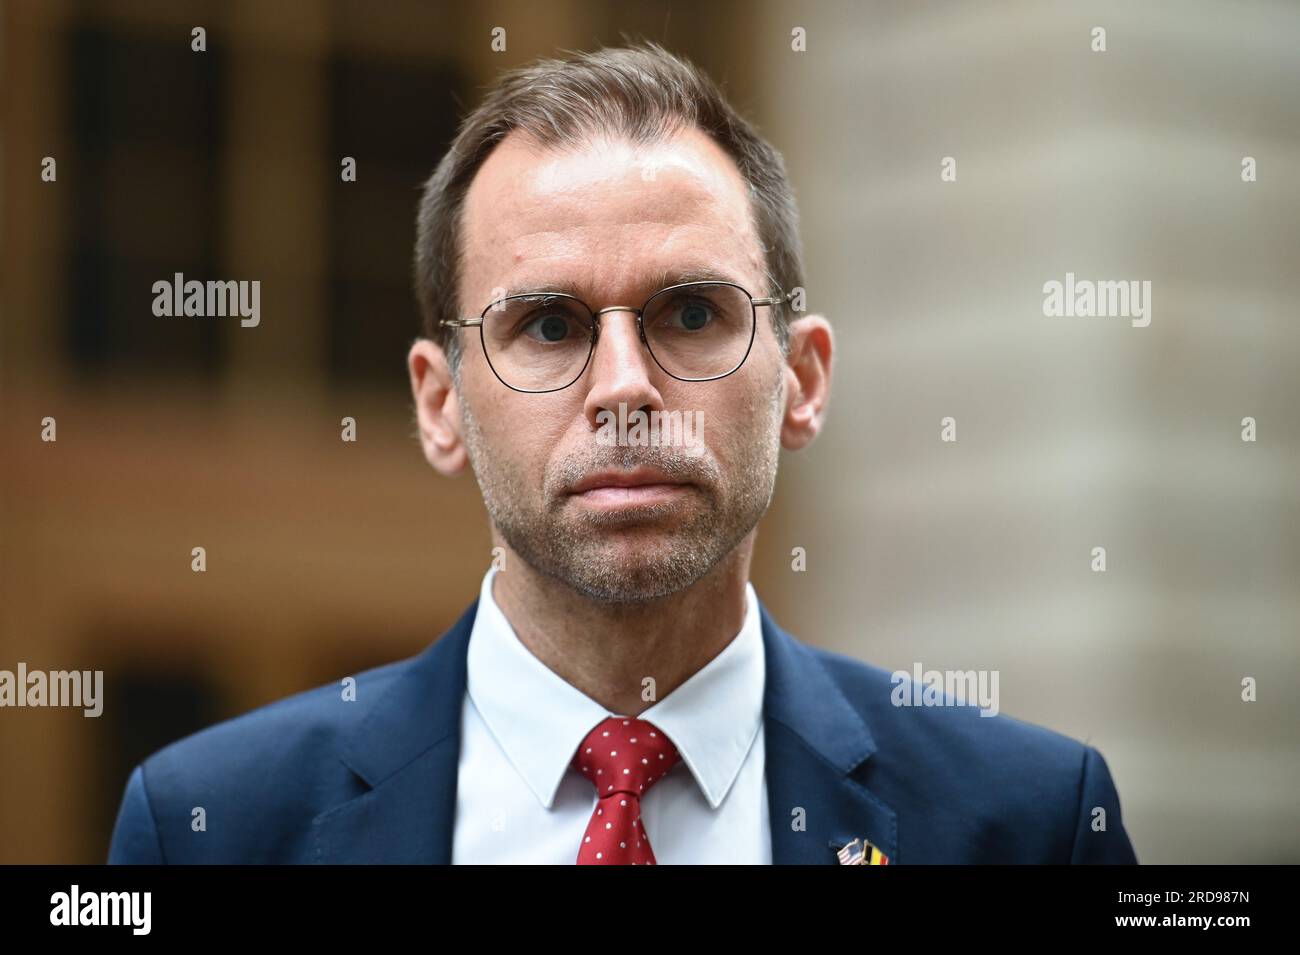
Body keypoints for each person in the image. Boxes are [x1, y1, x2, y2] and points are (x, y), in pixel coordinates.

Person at [108, 42, 1137, 865]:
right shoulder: (215, 827)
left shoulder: (1028, 822)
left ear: (803, 379)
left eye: (690, 312)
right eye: (548, 326)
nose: (624, 387)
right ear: (441, 405)